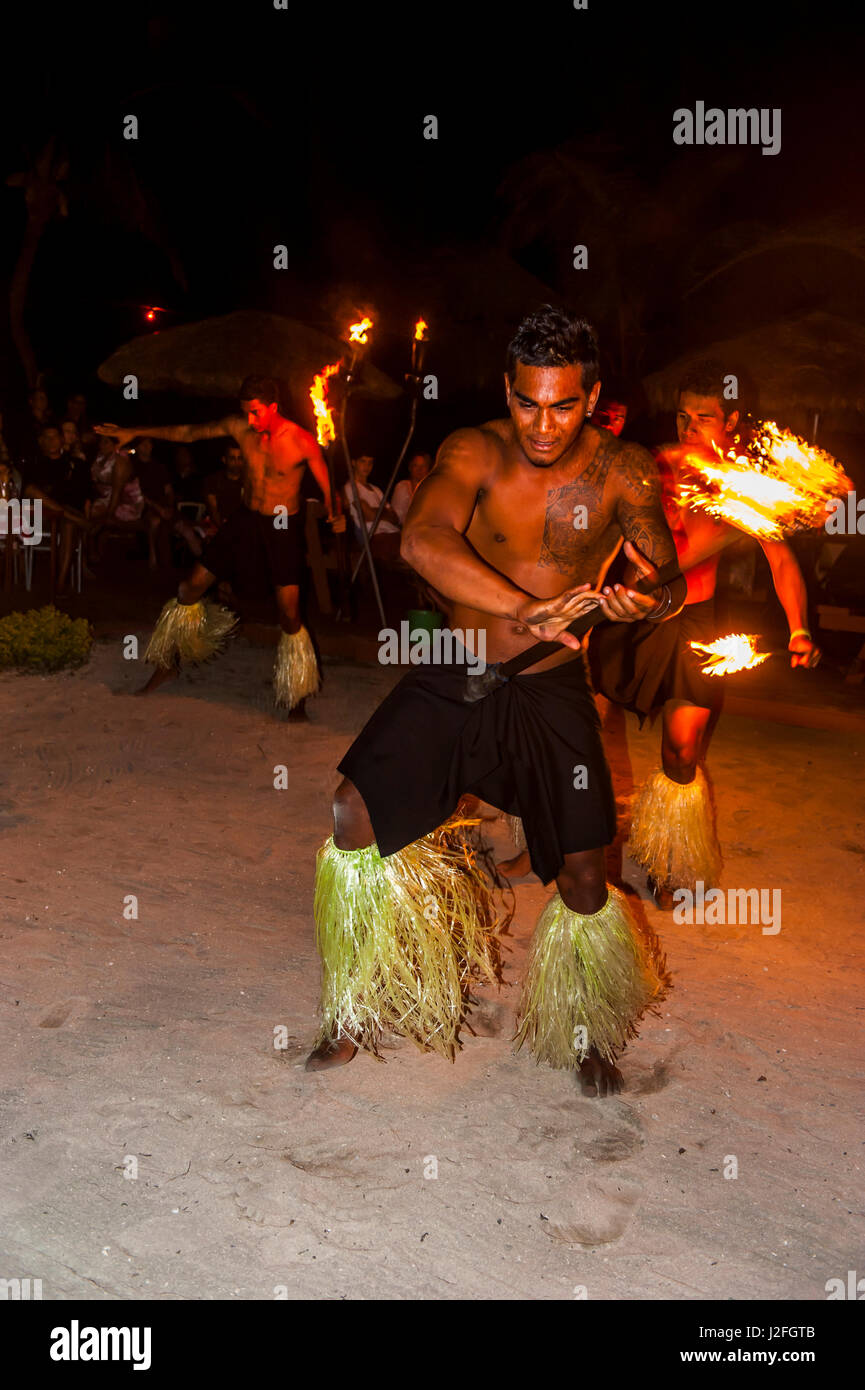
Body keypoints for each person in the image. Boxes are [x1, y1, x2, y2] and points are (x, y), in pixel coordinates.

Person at [305, 305, 686, 1097]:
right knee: (353, 811)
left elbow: (668, 581)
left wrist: (639, 601)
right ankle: (358, 1004)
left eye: (562, 404)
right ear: (505, 389)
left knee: (584, 877)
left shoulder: (624, 470)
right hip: (460, 668)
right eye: (525, 401)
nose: (541, 424)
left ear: (592, 395)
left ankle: (586, 1026)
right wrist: (520, 607)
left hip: (551, 684)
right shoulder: (473, 448)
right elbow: (421, 540)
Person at [589, 360, 820, 906]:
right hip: (628, 620)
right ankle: (583, 856)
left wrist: (800, 630)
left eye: (704, 417)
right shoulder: (649, 468)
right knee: (586, 740)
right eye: (682, 416)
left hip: (693, 623)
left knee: (681, 754)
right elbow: (599, 540)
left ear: (730, 421)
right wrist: (584, 607)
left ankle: (671, 863)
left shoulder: (739, 489)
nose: (689, 428)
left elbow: (781, 561)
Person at [96, 375, 338, 717]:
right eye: (245, 413)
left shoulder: (302, 441)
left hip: (282, 525)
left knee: (290, 612)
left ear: (273, 407)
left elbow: (330, 494)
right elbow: (189, 433)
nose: (250, 421)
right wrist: (135, 431)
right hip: (245, 519)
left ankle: (296, 694)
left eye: (255, 413)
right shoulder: (240, 428)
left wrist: (334, 513)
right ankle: (169, 664)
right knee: (189, 587)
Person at [25, 424, 92, 593]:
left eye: (55, 436)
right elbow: (28, 492)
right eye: (47, 437)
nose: (51, 441)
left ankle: (60, 582)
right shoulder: (33, 462)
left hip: (69, 516)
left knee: (68, 525)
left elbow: (85, 495)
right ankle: (71, 517)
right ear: (41, 441)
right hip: (43, 517)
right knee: (33, 490)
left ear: (62, 440)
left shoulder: (75, 464)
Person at [343, 454, 402, 563]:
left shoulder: (376, 490)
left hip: (395, 533)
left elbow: (395, 518)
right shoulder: (350, 487)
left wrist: (375, 512)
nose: (367, 466)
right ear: (353, 463)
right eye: (363, 461)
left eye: (370, 462)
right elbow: (369, 515)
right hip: (376, 537)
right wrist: (383, 512)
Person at [132, 436, 175, 568]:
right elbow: (137, 494)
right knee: (155, 521)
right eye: (144, 444)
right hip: (142, 506)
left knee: (186, 530)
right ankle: (153, 555)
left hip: (163, 506)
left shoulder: (160, 467)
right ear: (138, 447)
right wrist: (158, 508)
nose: (148, 446)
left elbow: (169, 490)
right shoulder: (132, 467)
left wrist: (169, 506)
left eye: (150, 443)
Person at [203, 442, 245, 529]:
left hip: (244, 528)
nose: (236, 462)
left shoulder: (249, 482)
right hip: (220, 527)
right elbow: (213, 510)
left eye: (240, 458)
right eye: (232, 458)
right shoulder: (213, 481)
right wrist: (225, 529)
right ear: (224, 460)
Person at [392, 452, 432, 524]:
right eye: (416, 465)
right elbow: (397, 516)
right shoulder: (402, 486)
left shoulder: (432, 489)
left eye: (423, 466)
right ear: (410, 468)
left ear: (428, 469)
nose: (420, 469)